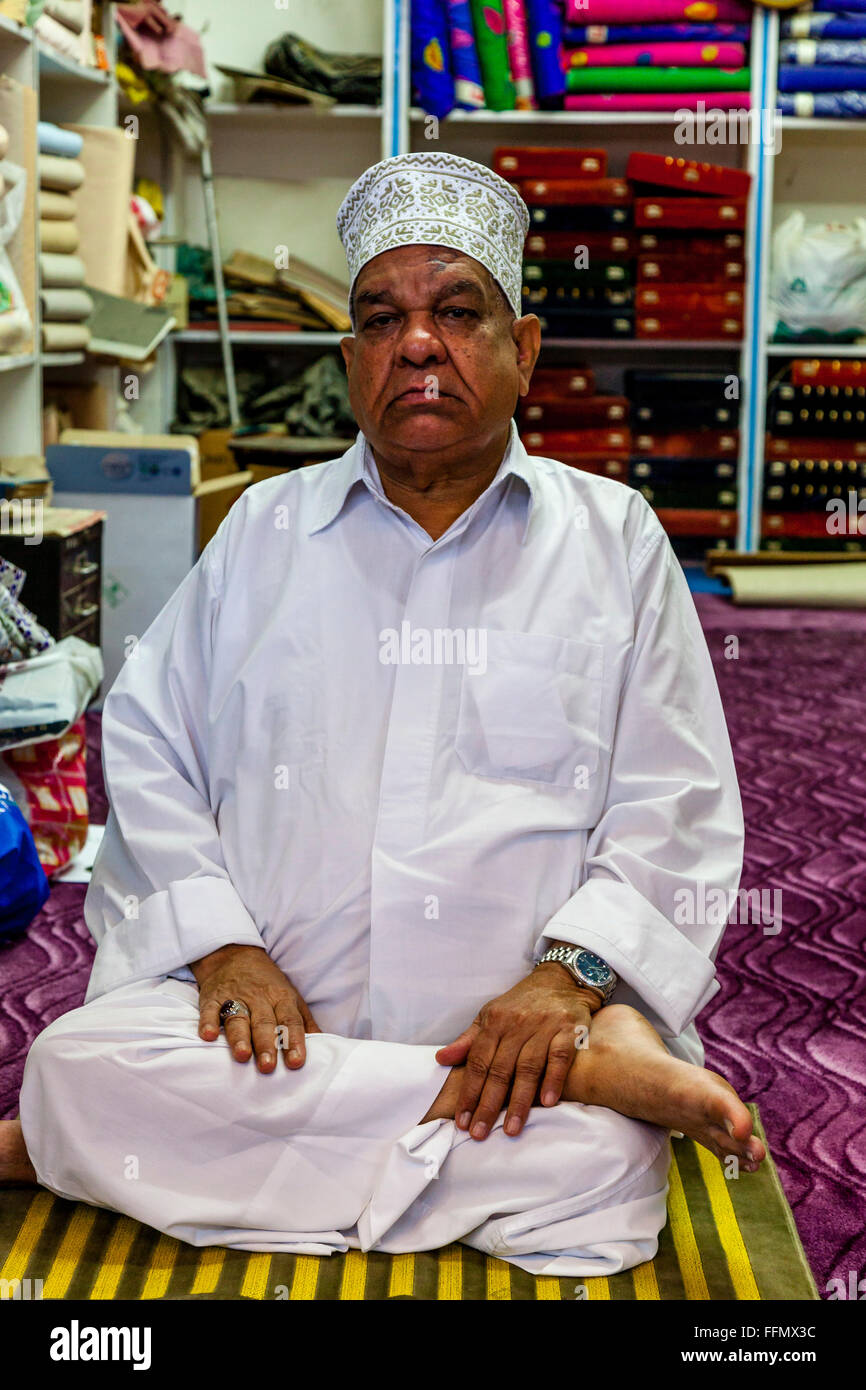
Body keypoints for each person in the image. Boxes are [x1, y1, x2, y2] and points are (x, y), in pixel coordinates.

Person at [1, 154, 764, 1278]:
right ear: (348, 357)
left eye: (458, 311)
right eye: (381, 318)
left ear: (526, 352)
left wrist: (571, 979)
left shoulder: (614, 540)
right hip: (272, 1029)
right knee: (78, 1063)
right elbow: (153, 748)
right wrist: (220, 942)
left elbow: (677, 798)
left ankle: (128, 1153)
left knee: (598, 1179)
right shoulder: (264, 530)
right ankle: (575, 1079)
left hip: (517, 1034)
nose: (417, 344)